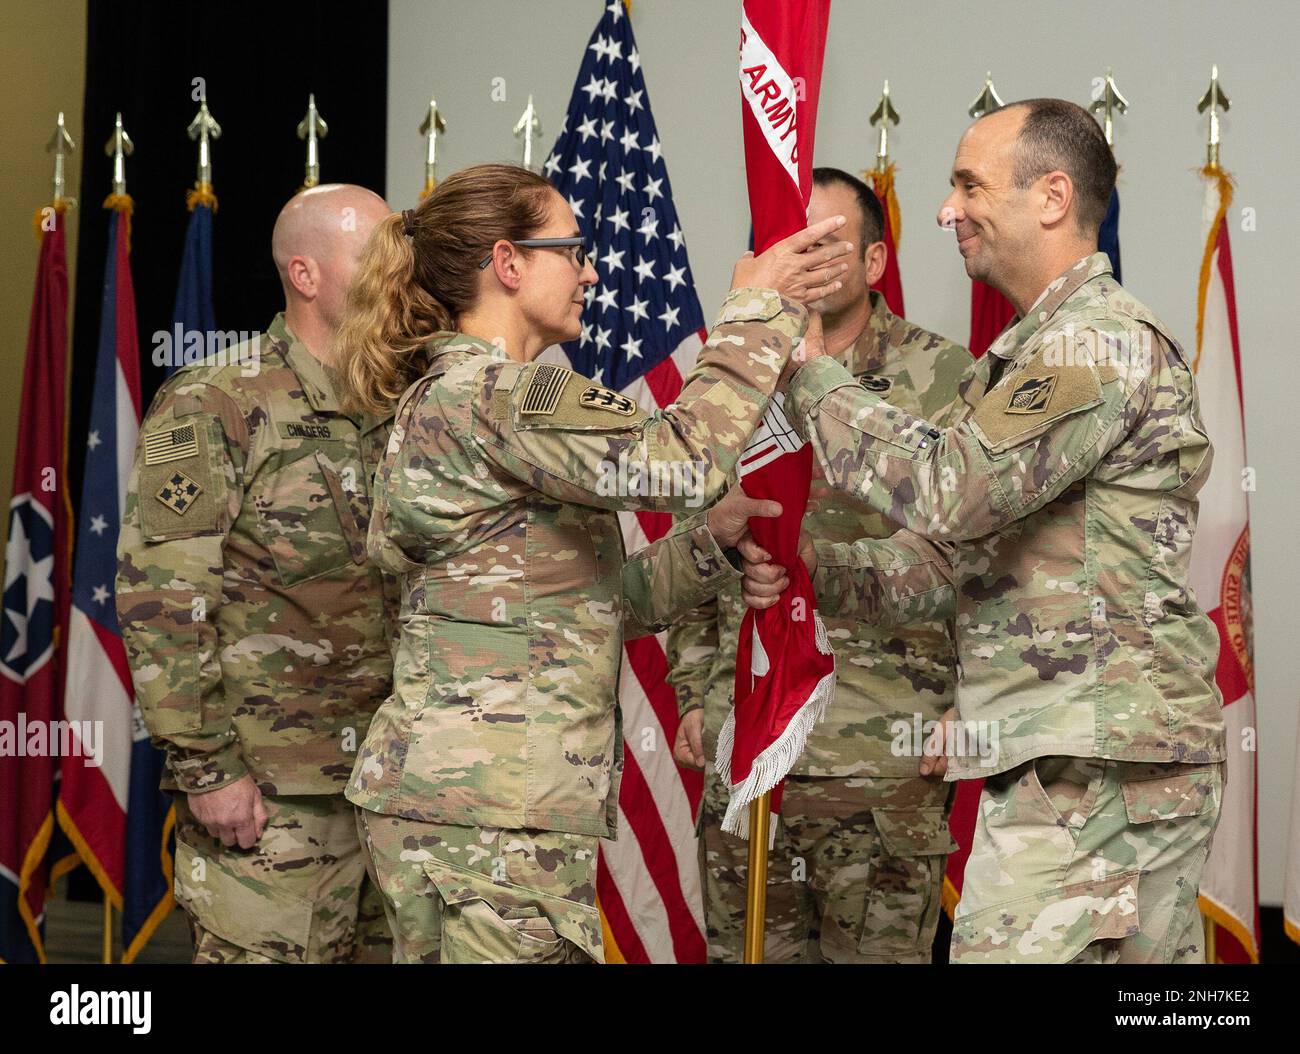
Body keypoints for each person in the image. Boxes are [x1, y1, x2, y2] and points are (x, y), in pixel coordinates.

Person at [741, 99, 1225, 964]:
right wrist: (806, 568)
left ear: (1051, 195)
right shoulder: (1029, 357)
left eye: (969, 184)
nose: (945, 209)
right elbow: (943, 564)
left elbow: (950, 491)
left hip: (1097, 769)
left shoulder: (1095, 345)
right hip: (1076, 761)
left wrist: (810, 377)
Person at [336, 163, 852, 964]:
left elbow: (590, 606)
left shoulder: (469, 397)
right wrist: (760, 306)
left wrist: (709, 545)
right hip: (493, 810)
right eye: (571, 249)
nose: (590, 270)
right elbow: (679, 460)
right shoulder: (502, 397)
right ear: (508, 264)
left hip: (477, 798)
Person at [667, 167, 971, 963]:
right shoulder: (730, 375)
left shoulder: (944, 376)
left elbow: (976, 552)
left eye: (824, 242)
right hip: (750, 751)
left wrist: (968, 702)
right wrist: (695, 687)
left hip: (883, 762)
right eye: (784, 243)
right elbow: (699, 532)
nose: (800, 258)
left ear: (874, 264)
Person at [116, 184, 398, 963]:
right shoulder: (215, 402)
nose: (396, 270)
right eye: (375, 253)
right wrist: (206, 769)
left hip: (392, 788)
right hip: (273, 795)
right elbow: (162, 602)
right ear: (305, 276)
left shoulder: (402, 406)